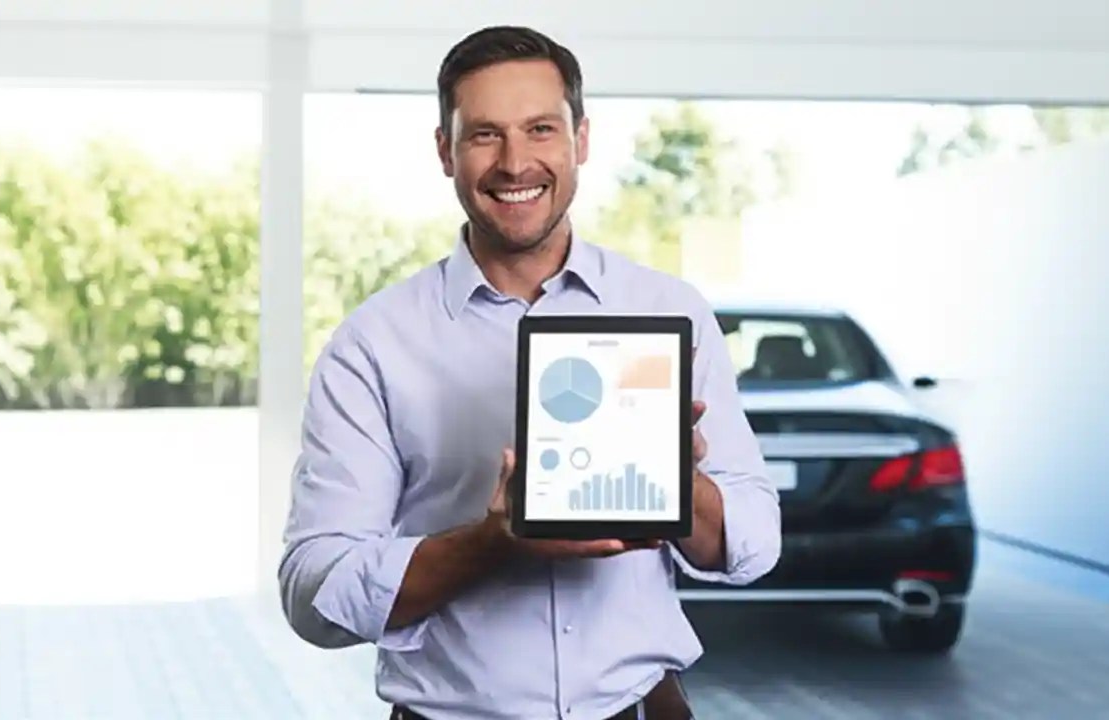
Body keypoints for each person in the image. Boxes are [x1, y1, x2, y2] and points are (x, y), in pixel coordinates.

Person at [278, 25, 782, 720]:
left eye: (540, 129)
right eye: (484, 134)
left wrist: (676, 483)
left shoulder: (673, 312)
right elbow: (314, 594)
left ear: (580, 139)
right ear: (444, 151)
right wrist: (490, 544)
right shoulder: (373, 344)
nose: (515, 163)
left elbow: (756, 543)